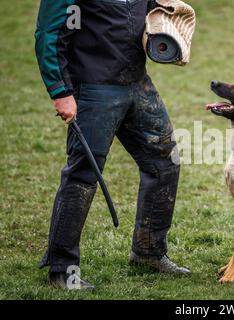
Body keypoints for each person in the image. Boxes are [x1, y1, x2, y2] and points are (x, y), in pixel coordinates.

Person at [35, 0, 190, 291]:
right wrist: (60, 91)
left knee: (164, 162)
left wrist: (166, 11)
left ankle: (148, 252)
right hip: (93, 87)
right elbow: (49, 33)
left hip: (136, 82)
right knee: (83, 176)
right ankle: (61, 270)